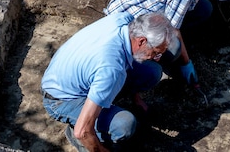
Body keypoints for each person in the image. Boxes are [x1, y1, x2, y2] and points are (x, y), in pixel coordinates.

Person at [41, 12, 173, 152]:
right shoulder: (111, 69)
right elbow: (82, 131)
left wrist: (135, 97)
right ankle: (79, 138)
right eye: (155, 52)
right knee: (124, 125)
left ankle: (102, 106)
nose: (157, 57)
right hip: (60, 100)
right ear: (141, 41)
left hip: (67, 74)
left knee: (152, 71)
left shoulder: (125, 21)